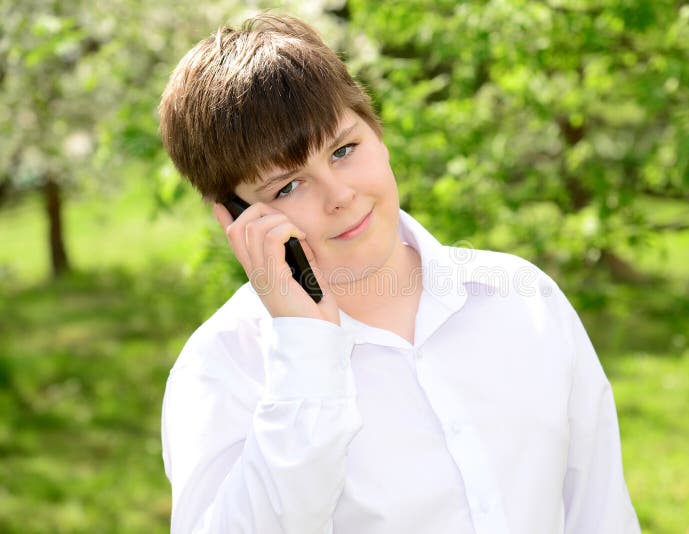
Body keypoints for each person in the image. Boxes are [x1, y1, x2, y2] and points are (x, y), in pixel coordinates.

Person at [158, 11, 640, 534]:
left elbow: (600, 511)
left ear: (378, 133)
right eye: (288, 186)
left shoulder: (522, 299)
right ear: (235, 219)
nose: (340, 196)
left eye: (344, 150)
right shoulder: (222, 368)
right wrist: (306, 353)